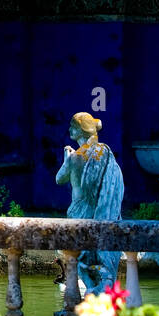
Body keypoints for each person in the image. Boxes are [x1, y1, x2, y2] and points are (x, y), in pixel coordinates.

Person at [55, 112, 124, 293]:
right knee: (90, 257)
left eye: (72, 126)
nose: (69, 129)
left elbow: (59, 179)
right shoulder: (104, 153)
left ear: (80, 130)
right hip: (98, 213)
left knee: (80, 257)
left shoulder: (75, 158)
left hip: (78, 213)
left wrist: (66, 160)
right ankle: (98, 292)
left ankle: (89, 295)